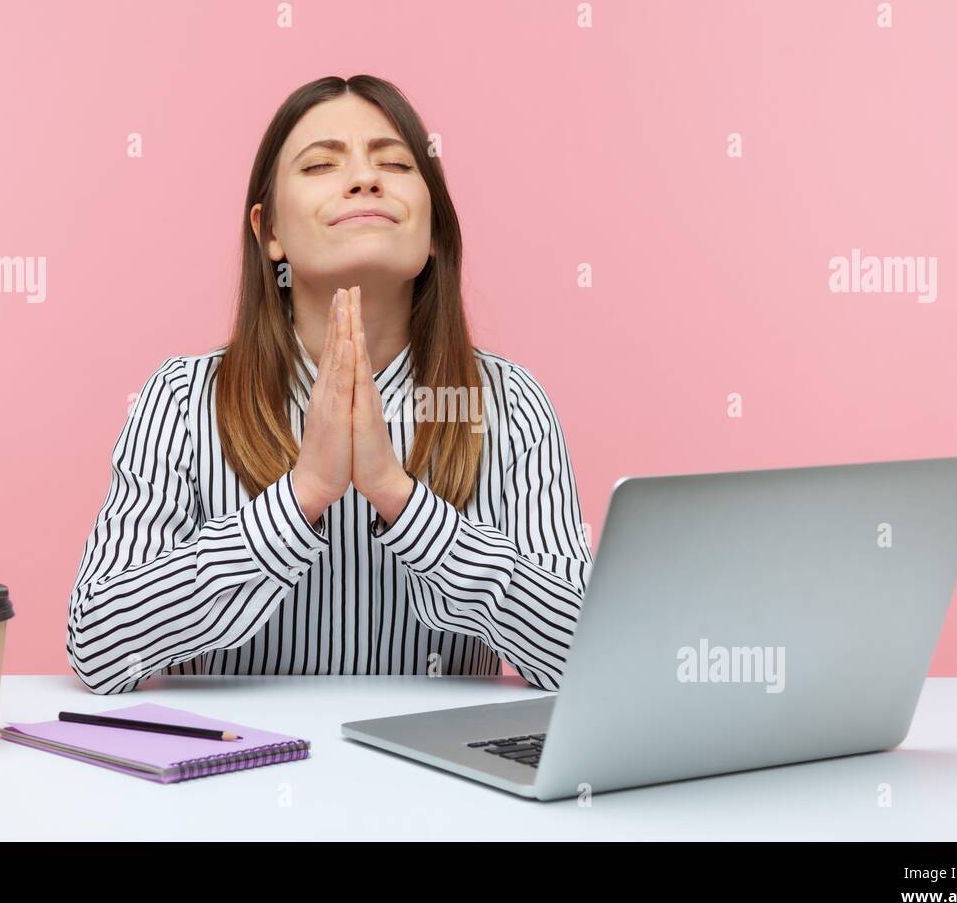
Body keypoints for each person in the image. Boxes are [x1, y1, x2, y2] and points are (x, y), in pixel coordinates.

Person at [66, 75, 592, 695]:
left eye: (395, 163)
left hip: (440, 788)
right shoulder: (184, 400)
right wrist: (302, 496)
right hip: (233, 783)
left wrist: (399, 499)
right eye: (320, 165)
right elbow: (99, 647)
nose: (366, 179)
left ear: (432, 233)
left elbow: (585, 659)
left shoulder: (506, 404)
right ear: (270, 234)